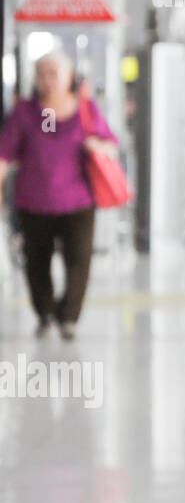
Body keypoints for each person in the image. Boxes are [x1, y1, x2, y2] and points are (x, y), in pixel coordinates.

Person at [0, 50, 119, 340]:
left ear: (70, 77)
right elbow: (4, 154)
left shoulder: (85, 110)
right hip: (34, 202)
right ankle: (44, 312)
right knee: (36, 262)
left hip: (78, 202)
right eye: (42, 74)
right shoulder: (25, 113)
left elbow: (110, 144)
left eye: (54, 73)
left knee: (79, 261)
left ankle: (68, 316)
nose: (48, 80)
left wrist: (99, 147)